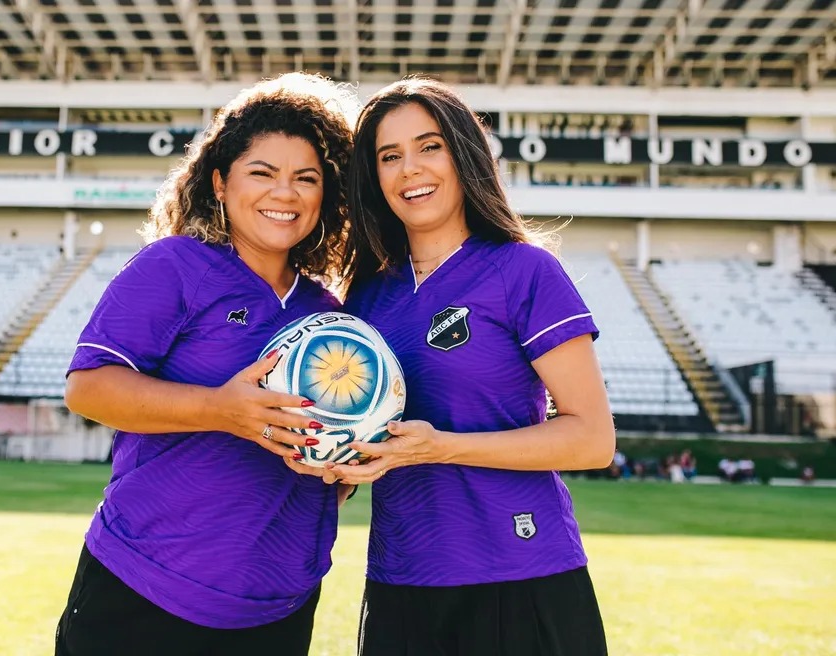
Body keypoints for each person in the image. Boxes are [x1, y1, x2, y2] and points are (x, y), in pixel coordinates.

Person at [54, 73, 357, 656]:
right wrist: (222, 409)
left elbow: (330, 463)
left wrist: (342, 462)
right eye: (262, 173)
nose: (285, 193)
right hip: (143, 587)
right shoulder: (174, 267)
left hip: (279, 605)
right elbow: (88, 389)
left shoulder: (331, 315)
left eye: (306, 178)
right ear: (220, 182)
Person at [335, 79, 614, 655]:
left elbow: (592, 440)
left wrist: (442, 447)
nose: (410, 169)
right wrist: (332, 460)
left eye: (429, 146)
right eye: (389, 156)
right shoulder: (365, 296)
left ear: (463, 154)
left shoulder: (524, 271)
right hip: (401, 581)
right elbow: (361, 442)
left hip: (521, 575)